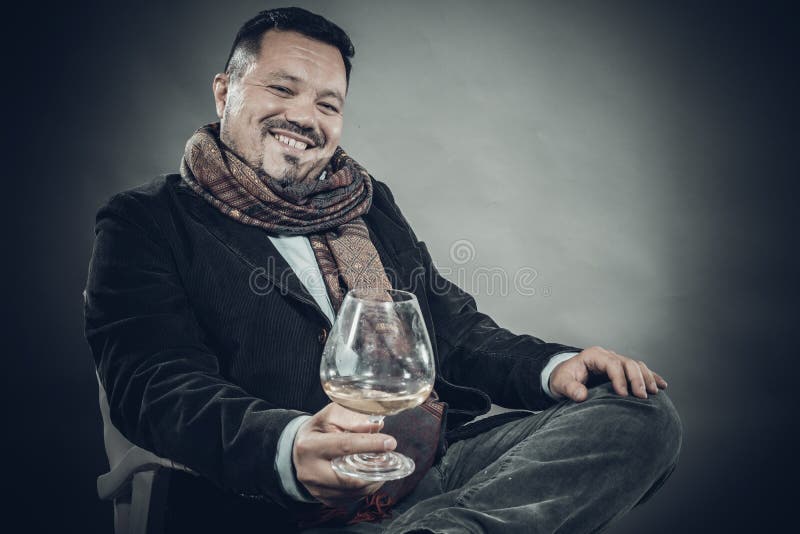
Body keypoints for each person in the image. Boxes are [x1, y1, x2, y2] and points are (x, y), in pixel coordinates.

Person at [84, 7, 682, 533]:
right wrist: (287, 449)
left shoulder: (368, 203)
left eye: (327, 103)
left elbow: (453, 334)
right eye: (282, 89)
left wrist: (557, 368)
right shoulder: (147, 220)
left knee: (642, 414)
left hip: (436, 467)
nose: (305, 116)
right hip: (289, 500)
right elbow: (153, 382)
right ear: (225, 92)